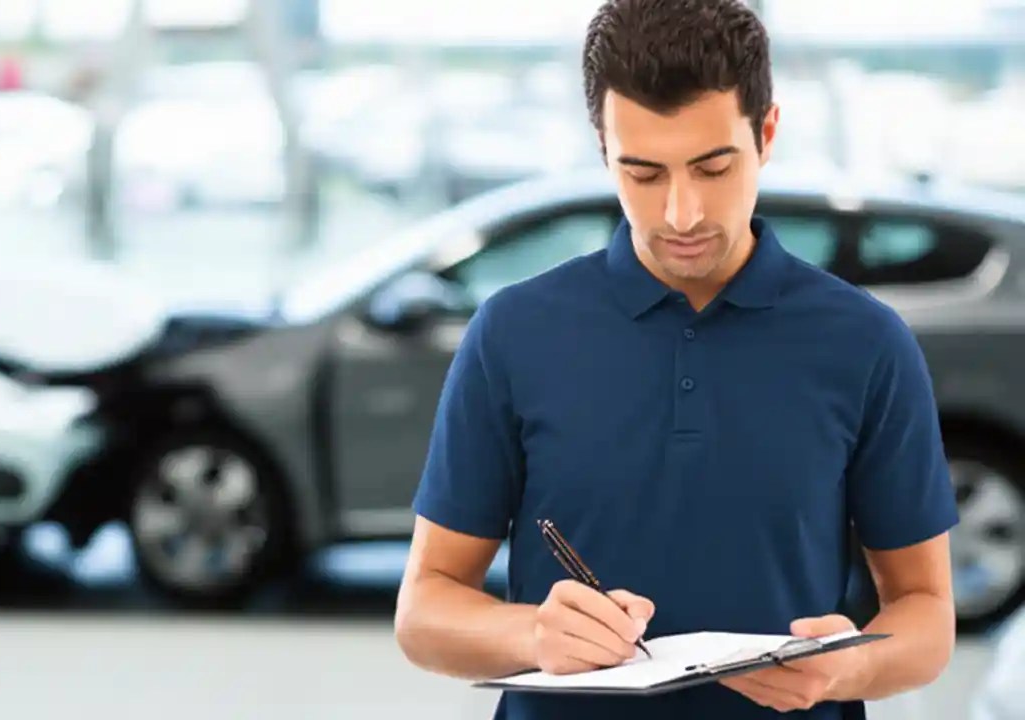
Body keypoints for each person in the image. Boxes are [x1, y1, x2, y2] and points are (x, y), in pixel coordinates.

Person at [393, 1, 960, 719]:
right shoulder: (512, 333)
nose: (682, 213)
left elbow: (926, 613)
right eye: (644, 174)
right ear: (604, 149)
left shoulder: (868, 343)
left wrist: (850, 669)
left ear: (768, 134)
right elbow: (424, 610)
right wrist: (530, 631)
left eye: (712, 166)